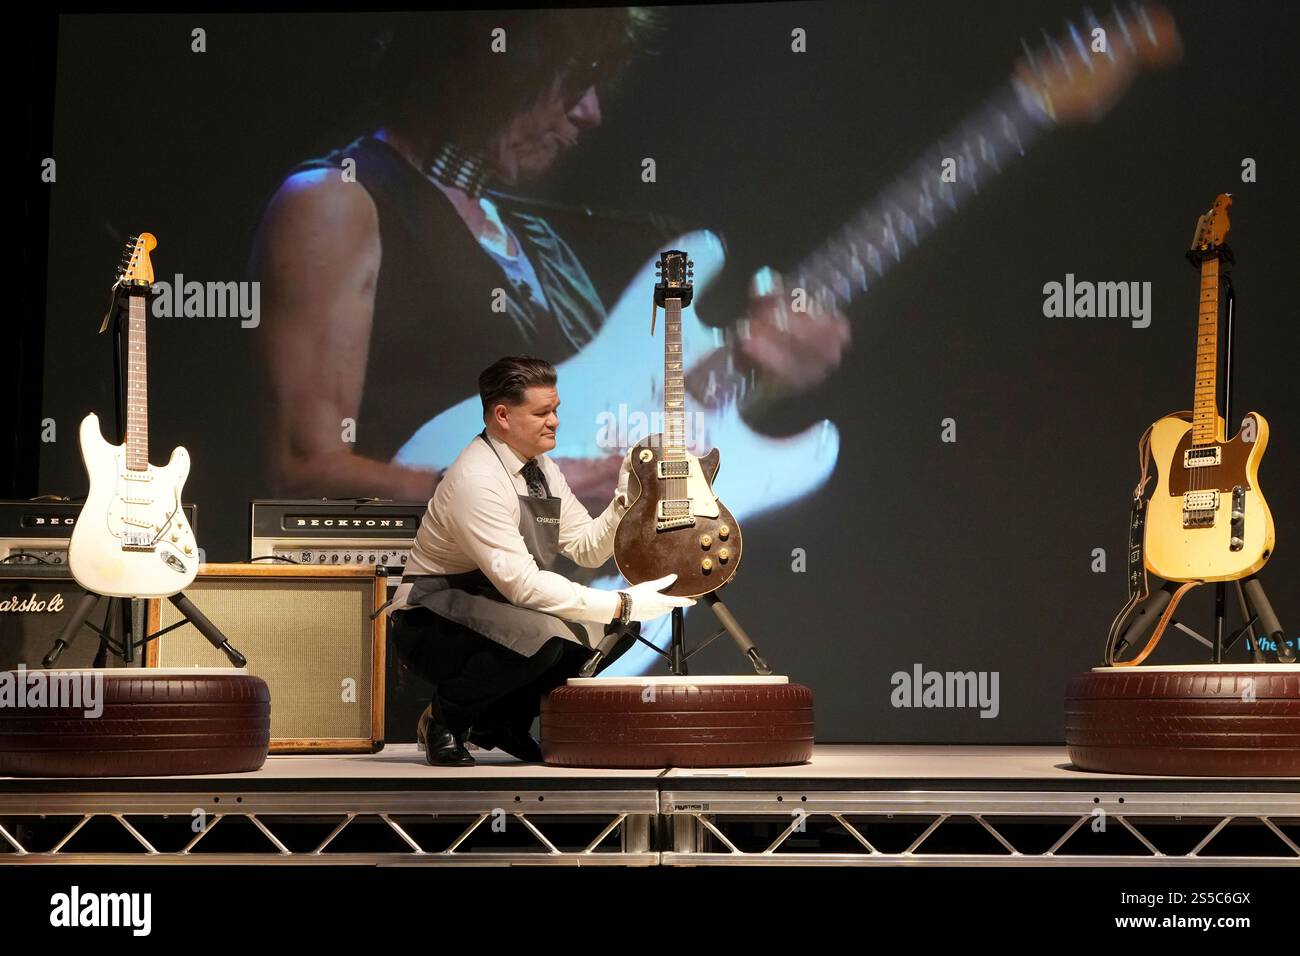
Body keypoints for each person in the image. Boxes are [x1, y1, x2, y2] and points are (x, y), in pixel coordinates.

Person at [250, 8, 849, 512]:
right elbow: (306, 477)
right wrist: (530, 497)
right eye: (574, 78)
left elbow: (602, 434)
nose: (590, 111)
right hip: (419, 619)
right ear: (495, 55)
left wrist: (753, 366)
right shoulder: (339, 201)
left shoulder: (532, 236)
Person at [388, 355, 695, 765]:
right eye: (542, 412)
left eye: (555, 410)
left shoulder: (541, 468)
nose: (555, 421)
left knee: (618, 631)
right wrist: (622, 599)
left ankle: (501, 722)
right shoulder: (475, 480)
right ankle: (444, 720)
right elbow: (524, 587)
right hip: (430, 618)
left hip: (495, 603)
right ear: (502, 415)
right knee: (545, 638)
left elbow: (585, 546)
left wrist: (627, 497)